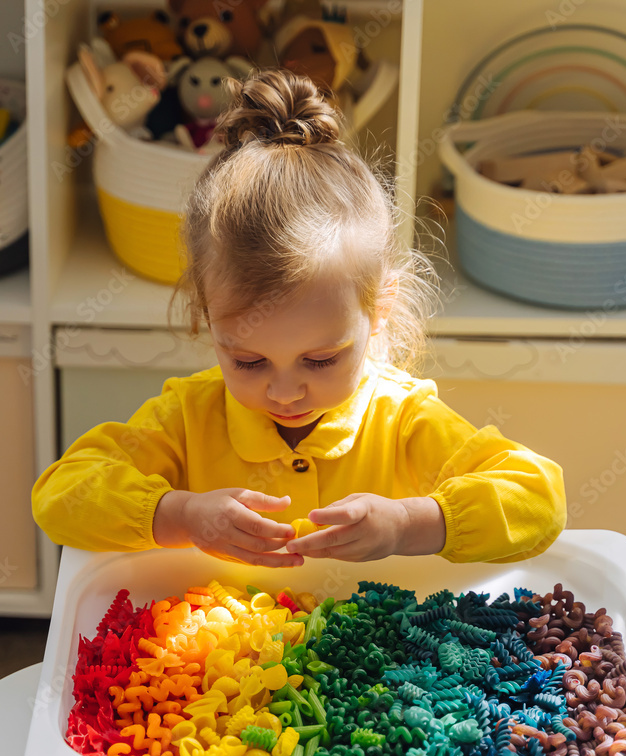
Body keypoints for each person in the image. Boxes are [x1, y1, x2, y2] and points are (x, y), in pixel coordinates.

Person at [32, 69, 566, 569]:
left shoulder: (403, 420)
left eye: (319, 359)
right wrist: (181, 516)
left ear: (377, 311)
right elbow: (61, 492)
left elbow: (538, 496)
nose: (285, 392)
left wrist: (410, 524)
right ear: (206, 317)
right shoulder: (187, 418)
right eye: (247, 361)